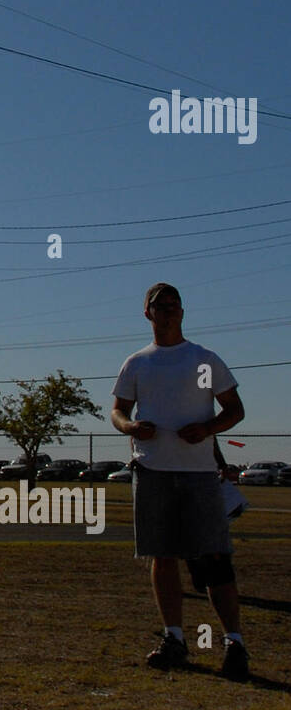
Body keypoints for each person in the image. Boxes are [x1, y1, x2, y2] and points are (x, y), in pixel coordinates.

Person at [111, 282, 249, 679]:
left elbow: (235, 408)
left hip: (199, 475)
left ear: (183, 312)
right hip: (152, 472)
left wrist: (207, 429)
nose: (169, 311)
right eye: (160, 306)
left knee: (215, 557)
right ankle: (175, 638)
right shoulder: (137, 363)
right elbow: (118, 410)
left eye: (175, 305)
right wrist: (131, 426)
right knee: (162, 556)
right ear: (147, 314)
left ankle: (234, 643)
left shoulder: (203, 360)